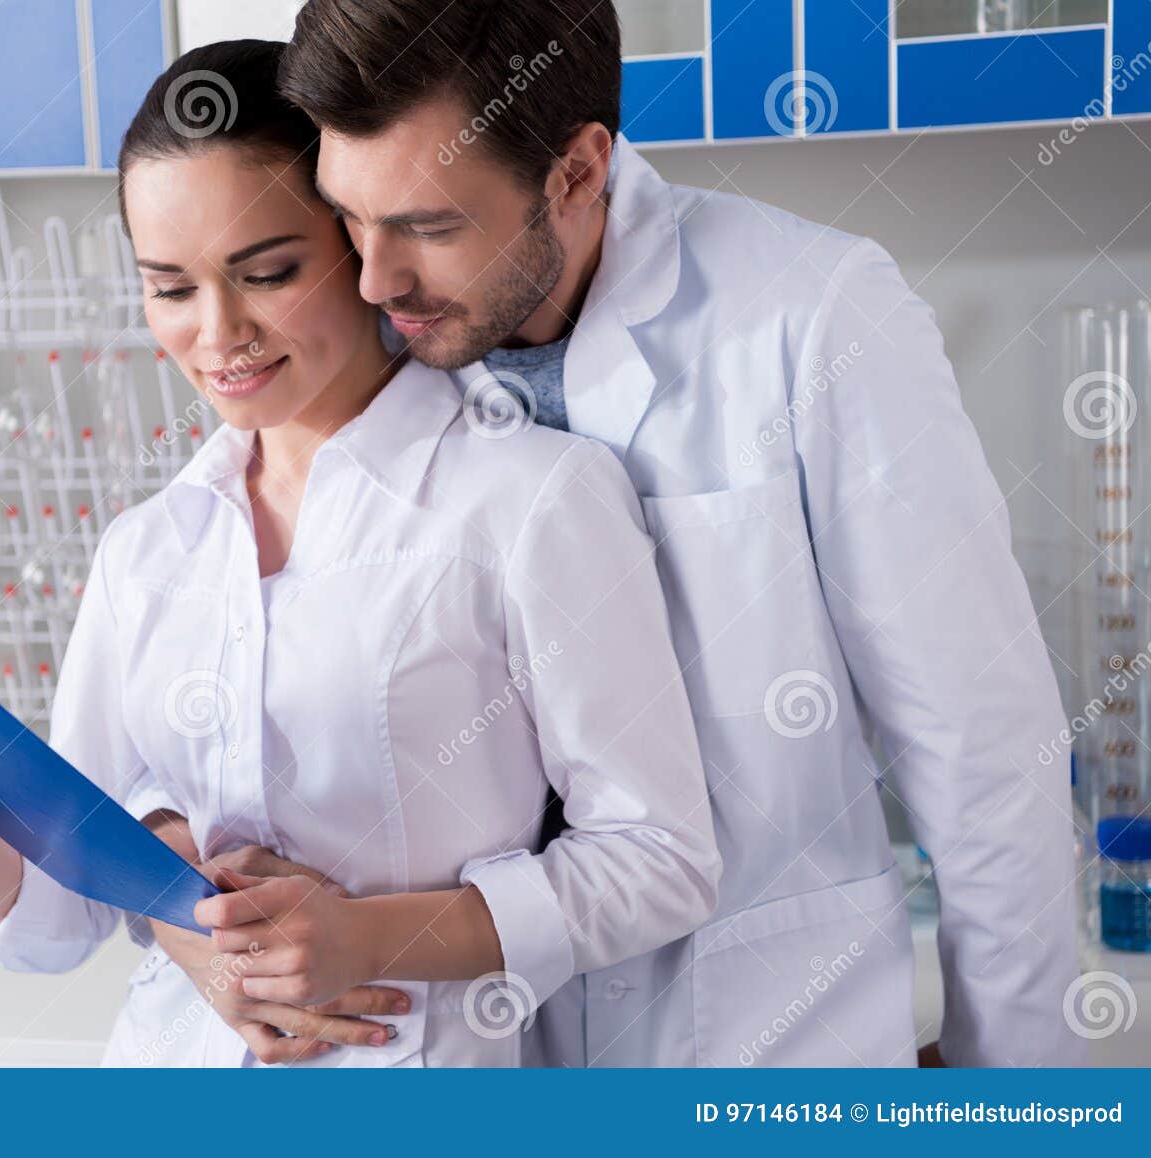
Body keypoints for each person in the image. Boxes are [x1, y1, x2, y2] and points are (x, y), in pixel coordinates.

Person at [0, 38, 721, 1067]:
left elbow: (660, 860)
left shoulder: (529, 500)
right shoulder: (147, 549)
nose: (218, 333)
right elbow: (62, 918)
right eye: (170, 289)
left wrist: (371, 937)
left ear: (359, 246)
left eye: (268, 272)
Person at [217, 0, 1076, 1067]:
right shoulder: (371, 354)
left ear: (577, 171)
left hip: (768, 1048)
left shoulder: (809, 318)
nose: (375, 279)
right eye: (349, 217)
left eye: (430, 227)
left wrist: (1016, 1087)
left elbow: (982, 748)